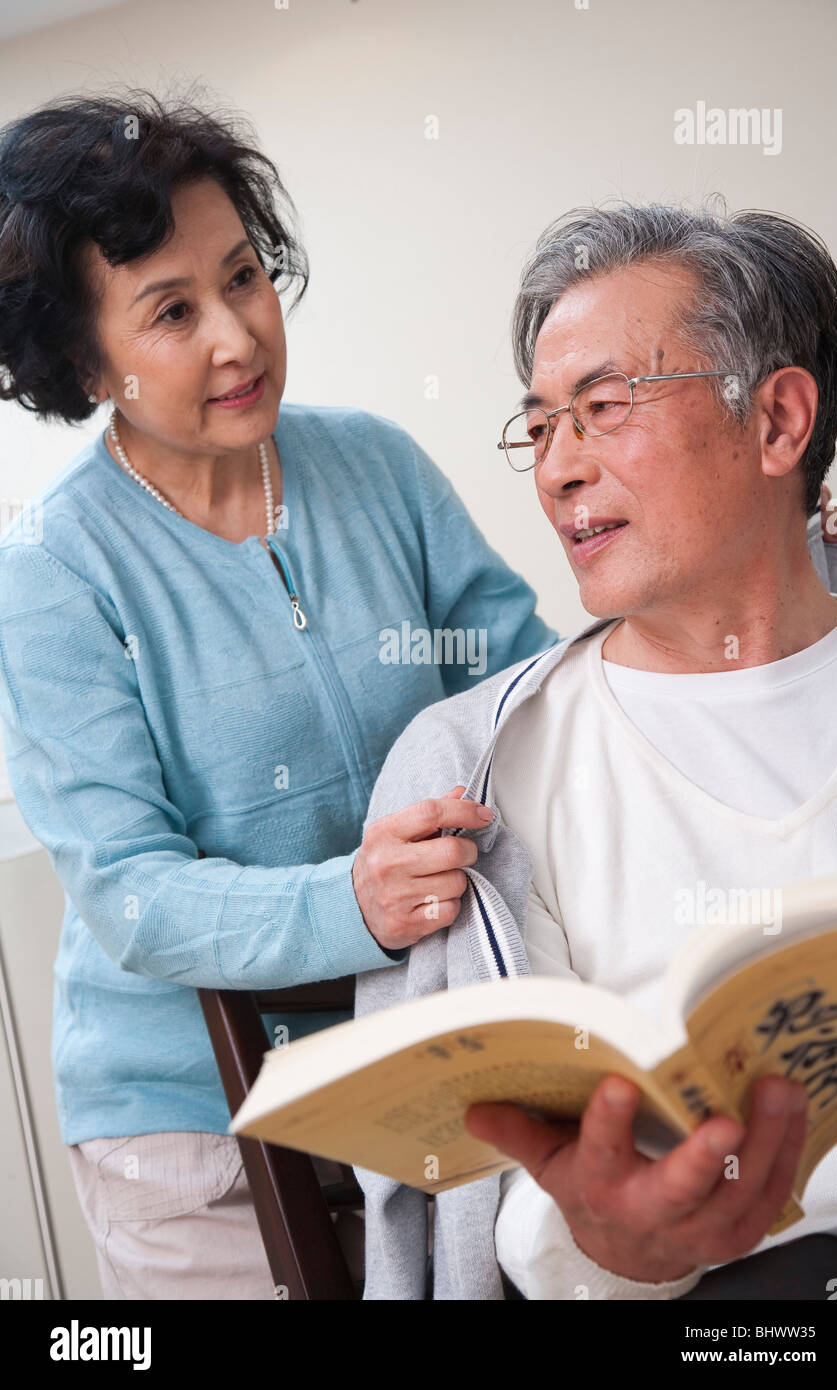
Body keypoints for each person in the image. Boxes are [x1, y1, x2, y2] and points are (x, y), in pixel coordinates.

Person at [0, 89, 559, 1300]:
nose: (237, 336)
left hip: (415, 1055)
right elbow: (136, 896)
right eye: (172, 311)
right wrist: (351, 902)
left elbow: (526, 689)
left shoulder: (375, 464)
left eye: (243, 276)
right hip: (192, 1122)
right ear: (86, 361)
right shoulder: (52, 571)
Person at [353, 200, 837, 1300]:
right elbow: (495, 1182)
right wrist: (612, 1243)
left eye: (601, 407)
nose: (555, 471)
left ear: (777, 422)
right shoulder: (486, 770)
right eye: (540, 426)